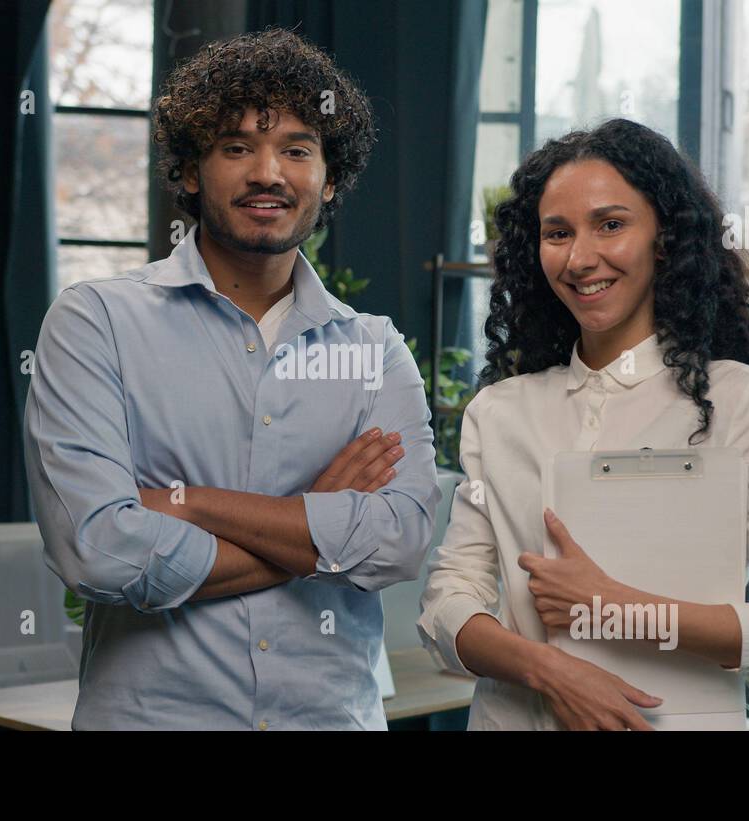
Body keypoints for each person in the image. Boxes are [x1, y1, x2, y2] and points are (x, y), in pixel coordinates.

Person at [24, 29, 440, 730]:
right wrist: (317, 519)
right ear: (191, 171)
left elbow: (400, 540)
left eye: (298, 150)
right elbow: (98, 551)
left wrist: (187, 502)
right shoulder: (96, 322)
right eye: (236, 147)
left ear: (330, 178)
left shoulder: (374, 348)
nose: (267, 173)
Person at [417, 118, 749, 730]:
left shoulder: (742, 402)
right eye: (557, 232)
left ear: (664, 239)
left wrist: (614, 607)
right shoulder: (500, 412)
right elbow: (447, 603)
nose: (580, 257)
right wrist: (548, 670)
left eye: (611, 225)